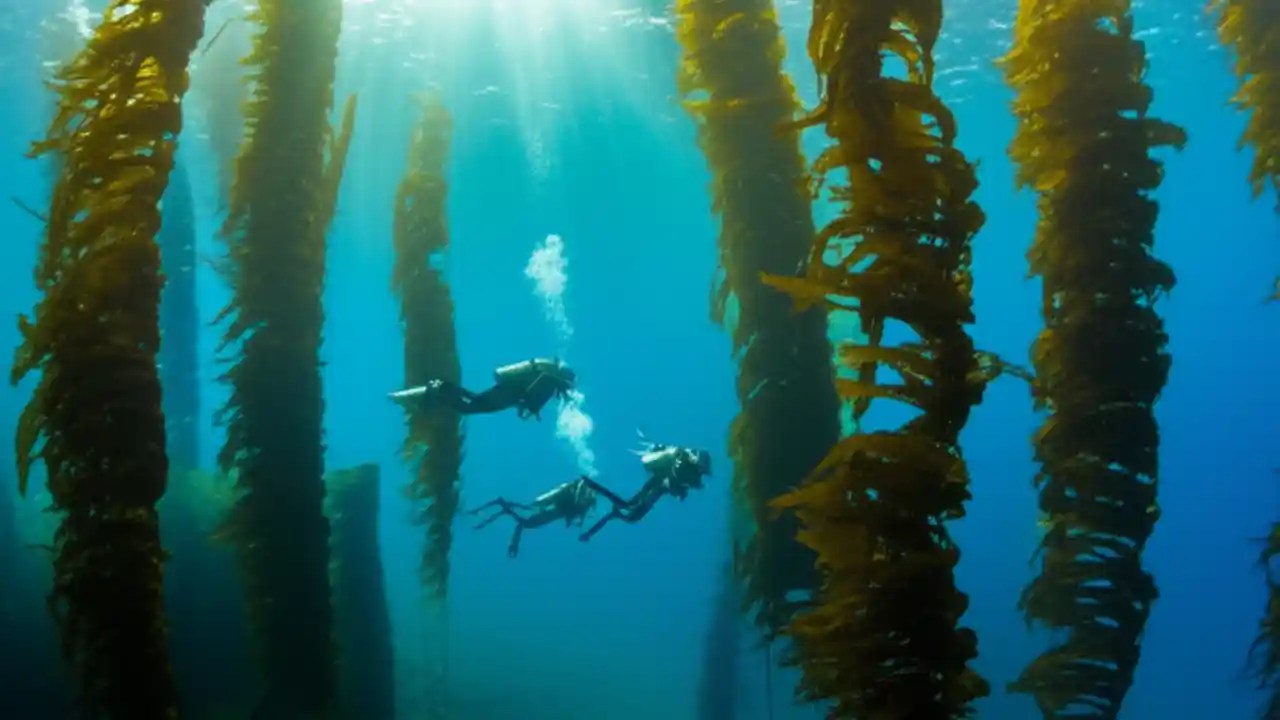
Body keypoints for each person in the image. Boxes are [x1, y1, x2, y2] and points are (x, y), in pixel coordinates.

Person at [579, 432, 713, 542]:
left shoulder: (692, 475)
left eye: (703, 471)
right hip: (658, 483)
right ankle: (592, 485)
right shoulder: (682, 462)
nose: (701, 474)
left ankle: (600, 521)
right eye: (701, 470)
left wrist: (680, 492)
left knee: (632, 516)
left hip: (660, 488)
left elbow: (682, 487)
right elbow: (673, 479)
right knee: (629, 507)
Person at [389, 357, 576, 421]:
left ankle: (435, 392)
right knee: (470, 406)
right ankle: (440, 387)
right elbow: (540, 382)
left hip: (509, 396)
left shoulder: (550, 383)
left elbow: (532, 400)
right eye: (566, 385)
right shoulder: (550, 380)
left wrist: (529, 409)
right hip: (509, 394)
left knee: (473, 403)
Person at [469, 475, 603, 557]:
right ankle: (487, 511)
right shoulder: (581, 495)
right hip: (551, 510)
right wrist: (514, 543)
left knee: (522, 517)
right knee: (522, 516)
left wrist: (514, 543)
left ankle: (487, 513)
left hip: (552, 511)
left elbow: (581, 516)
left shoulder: (586, 500)